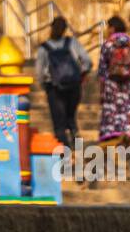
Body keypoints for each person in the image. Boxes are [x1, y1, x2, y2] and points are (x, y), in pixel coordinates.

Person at [35, 17, 92, 148]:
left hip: (54, 88)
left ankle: (64, 151)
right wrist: (80, 73)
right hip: (73, 86)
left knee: (58, 123)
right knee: (70, 116)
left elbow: (39, 72)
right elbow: (87, 61)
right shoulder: (72, 43)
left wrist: (44, 84)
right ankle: (75, 135)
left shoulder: (44, 48)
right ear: (65, 29)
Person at [97, 16, 130, 145]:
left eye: (108, 27)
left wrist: (102, 90)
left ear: (113, 28)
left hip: (112, 85)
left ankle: (114, 139)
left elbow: (102, 70)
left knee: (113, 112)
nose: (107, 30)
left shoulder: (107, 45)